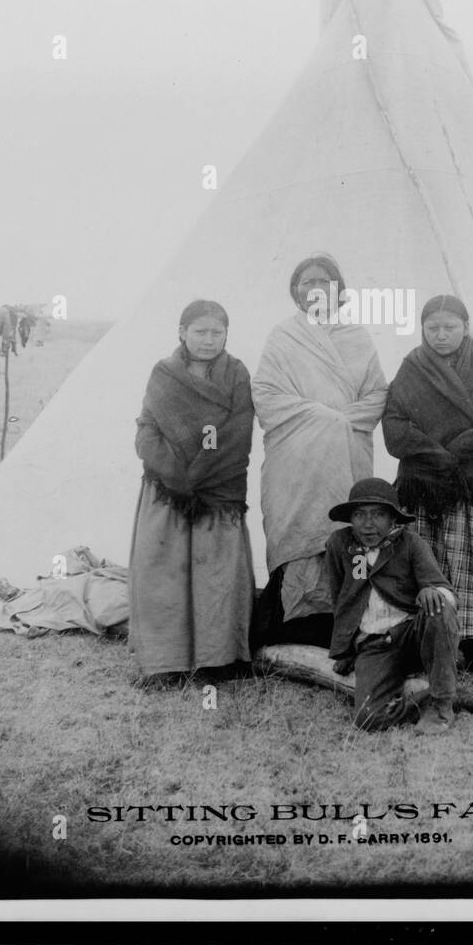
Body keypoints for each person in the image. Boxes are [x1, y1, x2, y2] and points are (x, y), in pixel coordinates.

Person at [250, 254, 388, 648]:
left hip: (345, 458)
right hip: (295, 462)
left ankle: (345, 628)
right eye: (306, 282)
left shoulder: (357, 337)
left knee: (343, 533)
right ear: (295, 292)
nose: (314, 288)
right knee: (300, 535)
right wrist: (319, 417)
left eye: (323, 281)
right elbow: (266, 394)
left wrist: (340, 423)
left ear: (338, 289)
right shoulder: (283, 336)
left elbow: (377, 393)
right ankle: (290, 628)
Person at [382, 295, 473, 675]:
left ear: (466, 327)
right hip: (425, 482)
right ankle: (427, 640)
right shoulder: (412, 367)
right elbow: (394, 426)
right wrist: (434, 453)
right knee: (429, 562)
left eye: (450, 327)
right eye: (433, 328)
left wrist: (457, 449)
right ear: (423, 330)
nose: (441, 335)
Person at [128, 300, 255, 684]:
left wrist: (199, 474)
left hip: (218, 491)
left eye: (217, 332)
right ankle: (165, 663)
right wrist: (177, 476)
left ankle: (217, 660)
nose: (209, 339)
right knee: (164, 575)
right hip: (169, 491)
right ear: (182, 332)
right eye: (200, 331)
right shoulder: (164, 374)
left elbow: (237, 432)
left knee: (215, 577)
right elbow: (148, 429)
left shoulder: (236, 374)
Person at [325, 478, 459, 734]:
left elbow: (447, 592)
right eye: (359, 514)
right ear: (350, 519)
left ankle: (441, 706)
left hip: (410, 635)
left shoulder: (410, 543)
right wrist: (345, 649)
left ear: (392, 519)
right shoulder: (340, 545)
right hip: (374, 646)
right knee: (368, 719)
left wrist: (432, 592)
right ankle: (441, 693)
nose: (368, 524)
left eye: (378, 514)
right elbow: (340, 598)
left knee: (439, 606)